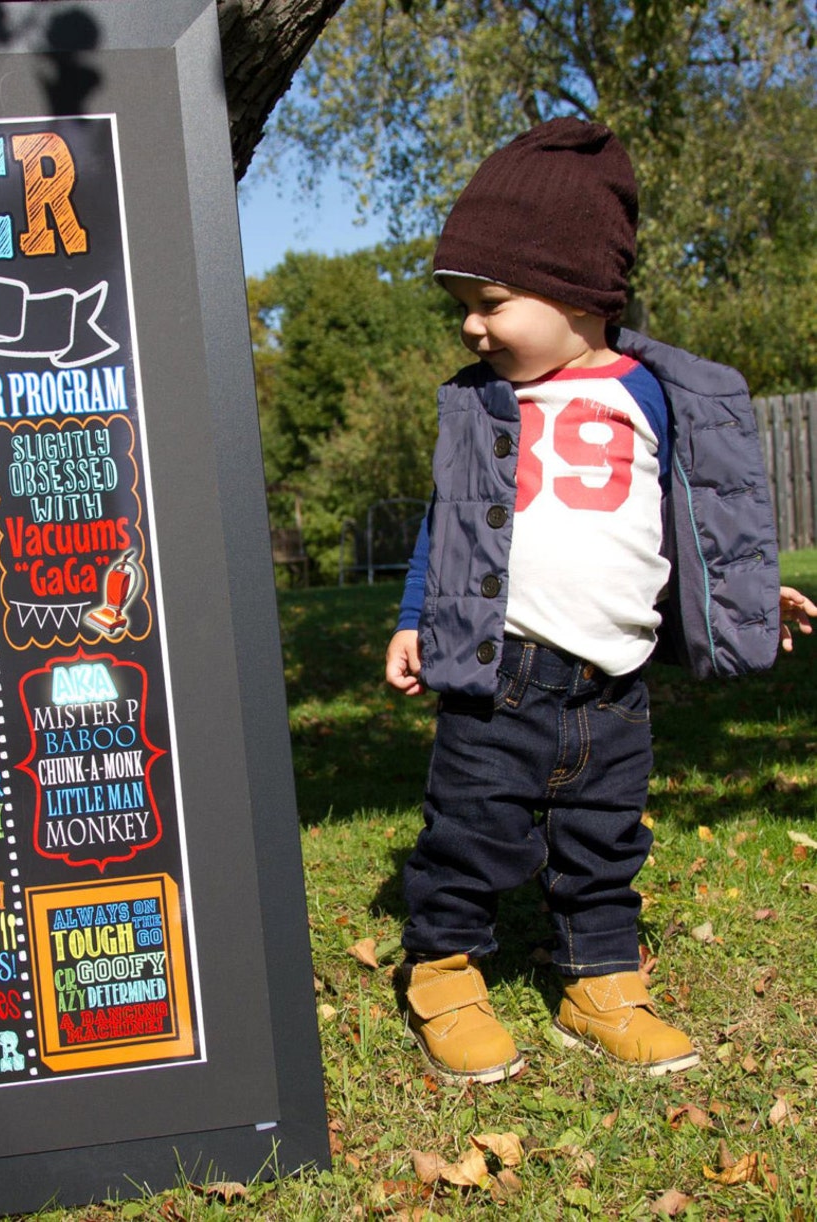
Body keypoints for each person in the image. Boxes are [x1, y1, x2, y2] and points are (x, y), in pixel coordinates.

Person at [384, 117, 816, 1084]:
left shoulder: (654, 396)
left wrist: (746, 592)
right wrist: (415, 617)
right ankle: (444, 971)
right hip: (499, 676)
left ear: (578, 294)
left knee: (604, 840)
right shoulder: (484, 403)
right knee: (472, 831)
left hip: (613, 682)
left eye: (491, 302)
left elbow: (697, 517)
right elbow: (446, 520)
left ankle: (600, 982)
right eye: (463, 306)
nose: (471, 325)